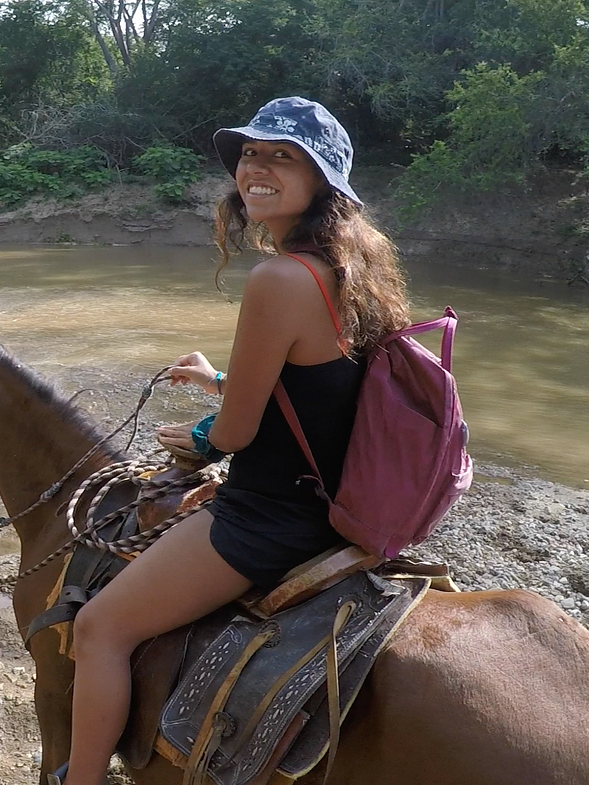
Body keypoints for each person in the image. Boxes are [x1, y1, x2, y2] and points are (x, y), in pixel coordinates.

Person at [50, 97, 412, 785]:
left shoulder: (277, 278)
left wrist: (197, 435)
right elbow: (319, 388)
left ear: (321, 180)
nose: (257, 166)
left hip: (267, 517)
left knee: (100, 626)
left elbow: (236, 435)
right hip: (331, 505)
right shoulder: (352, 267)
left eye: (283, 155)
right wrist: (220, 377)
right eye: (250, 152)